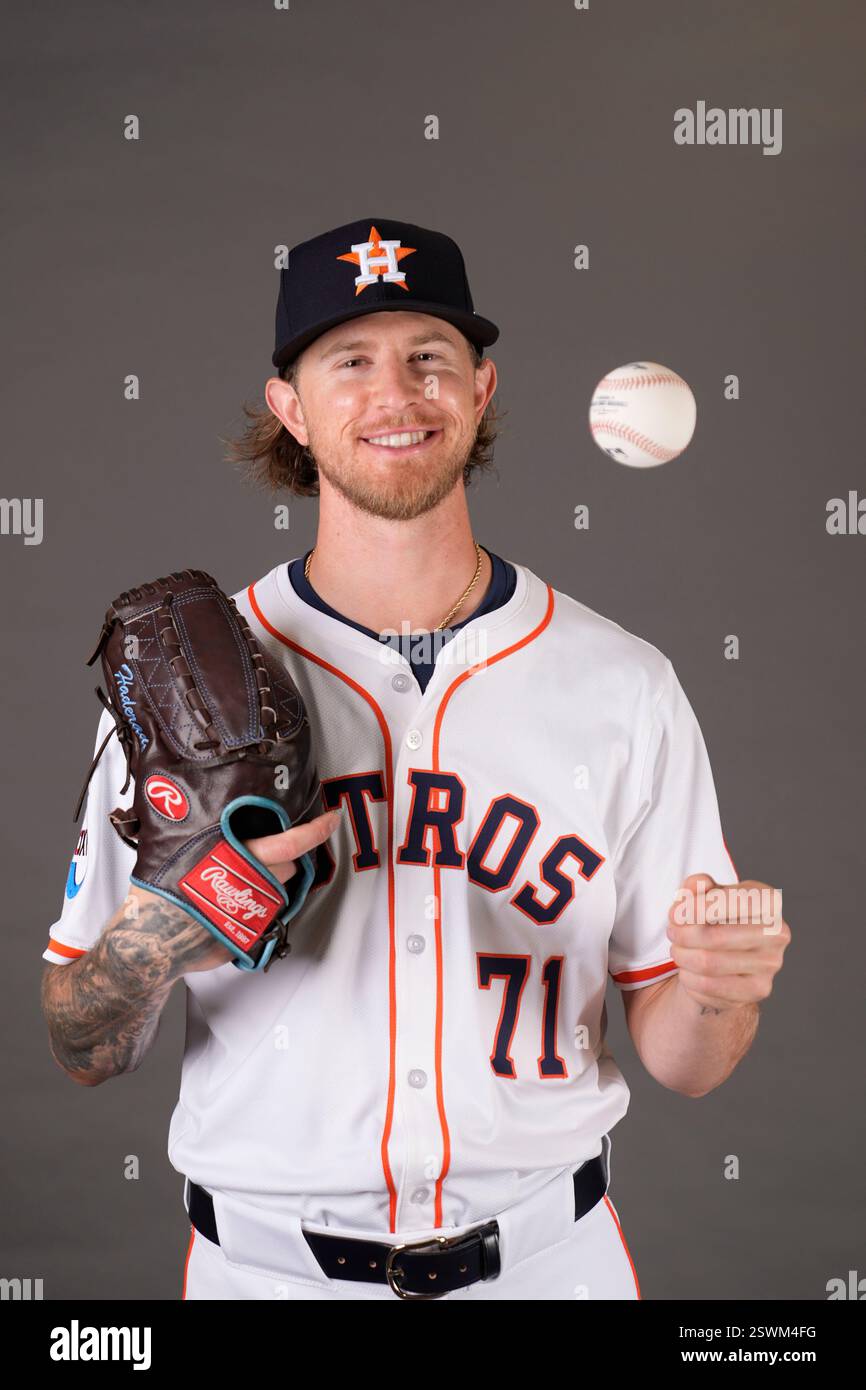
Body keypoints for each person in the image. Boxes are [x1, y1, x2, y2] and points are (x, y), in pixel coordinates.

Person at [41, 217, 790, 1301]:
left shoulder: (622, 683)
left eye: (428, 357)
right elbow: (79, 1037)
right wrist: (161, 934)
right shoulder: (180, 687)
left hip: (546, 1265)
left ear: (480, 389)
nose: (396, 393)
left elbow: (687, 1062)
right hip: (265, 1276)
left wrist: (718, 994)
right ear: (289, 408)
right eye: (349, 360)